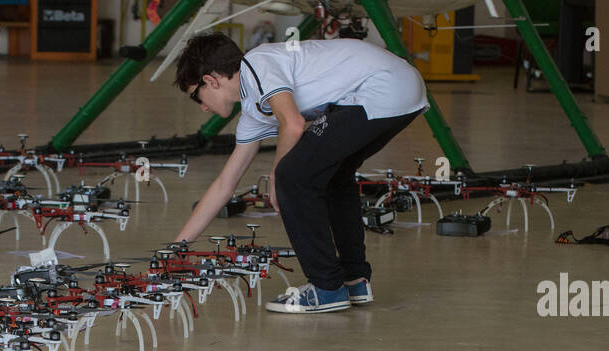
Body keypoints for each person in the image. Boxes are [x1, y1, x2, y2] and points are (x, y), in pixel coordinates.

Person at [173, 33, 428, 314]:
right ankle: (354, 279)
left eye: (197, 97)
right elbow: (225, 184)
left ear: (211, 80)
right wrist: (177, 249)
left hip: (381, 86)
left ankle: (326, 288)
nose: (204, 107)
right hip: (401, 89)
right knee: (333, 177)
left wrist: (277, 177)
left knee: (291, 176)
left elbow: (293, 124)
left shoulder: (256, 64)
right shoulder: (253, 112)